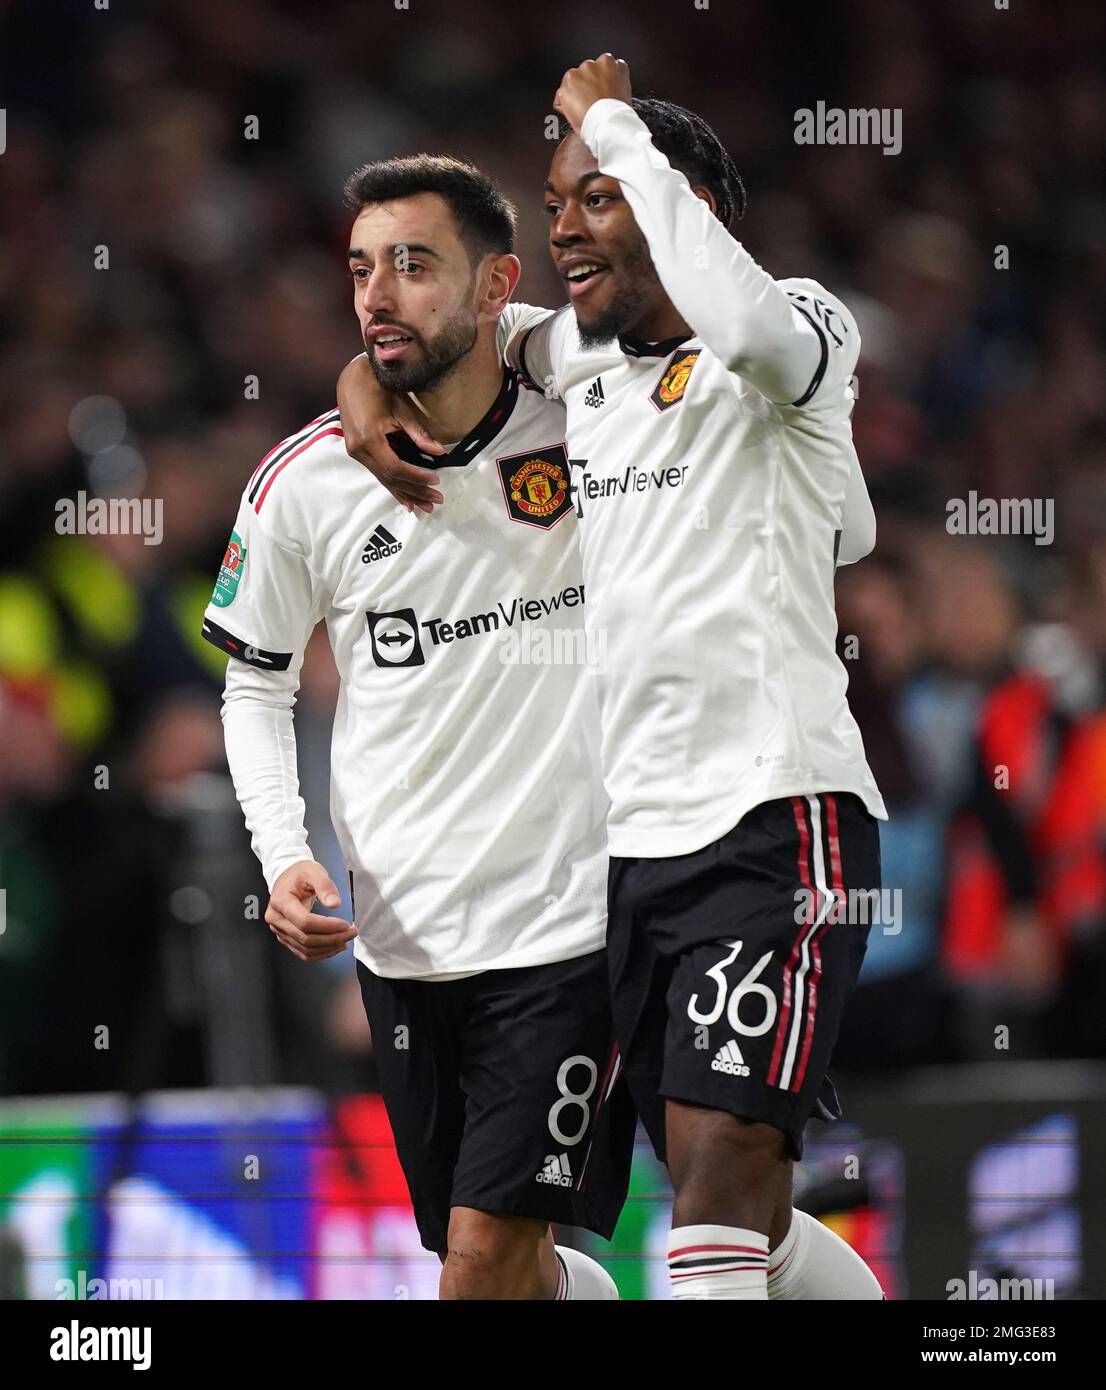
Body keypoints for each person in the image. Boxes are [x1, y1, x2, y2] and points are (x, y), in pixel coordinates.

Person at [337, 56, 887, 1301]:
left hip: (772, 810)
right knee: (732, 1199)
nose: (564, 224)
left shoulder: (800, 317)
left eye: (596, 195)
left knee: (713, 1177)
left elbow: (740, 327)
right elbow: (437, 339)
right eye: (556, 198)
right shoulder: (580, 361)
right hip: (628, 847)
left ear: (680, 198)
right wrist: (361, 380)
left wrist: (620, 128)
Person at [203, 154, 635, 1300]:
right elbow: (256, 682)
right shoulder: (302, 483)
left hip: (567, 926)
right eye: (359, 270)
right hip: (401, 940)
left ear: (497, 287)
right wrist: (283, 854)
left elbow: (642, 317)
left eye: (412, 266)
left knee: (489, 1252)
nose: (377, 295)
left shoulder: (588, 417)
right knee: (485, 1256)